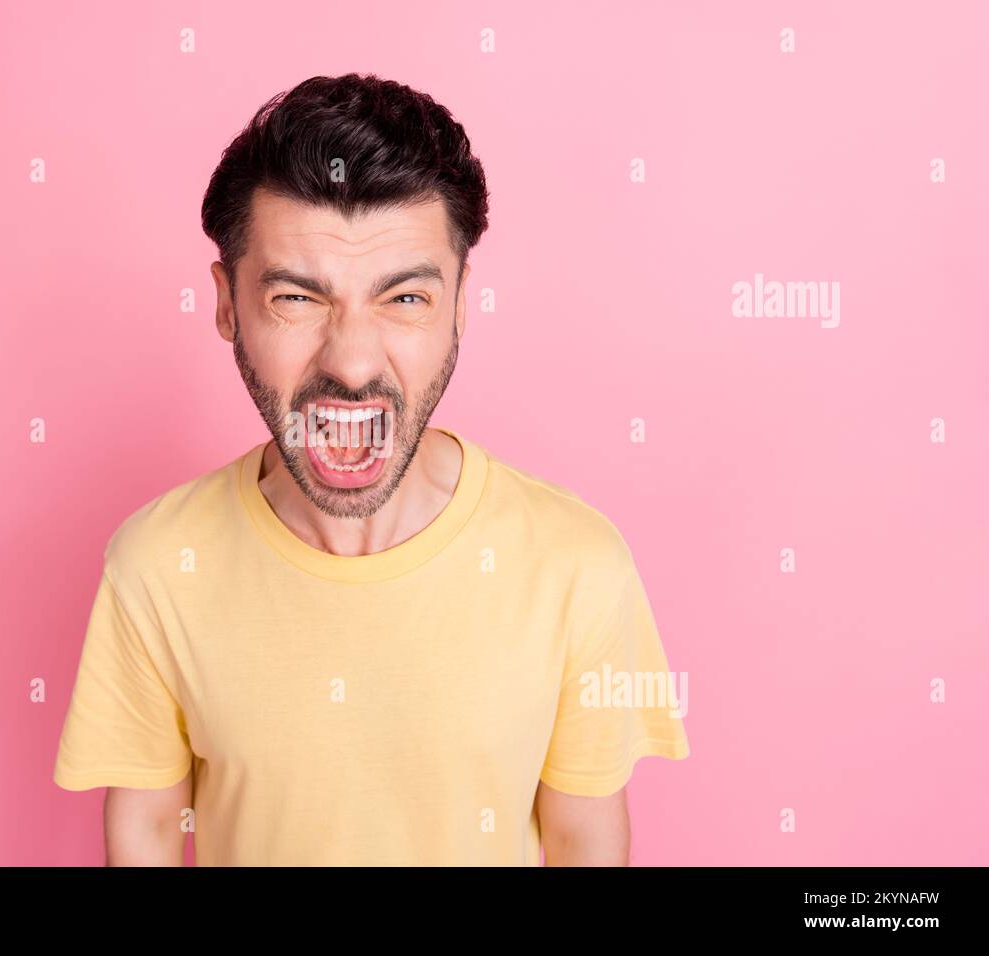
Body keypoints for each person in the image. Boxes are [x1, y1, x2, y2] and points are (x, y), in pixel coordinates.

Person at [53, 73, 689, 866]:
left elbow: (579, 839)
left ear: (460, 304)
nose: (352, 365)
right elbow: (146, 830)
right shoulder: (154, 564)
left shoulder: (577, 564)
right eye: (296, 298)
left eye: (406, 299)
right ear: (226, 304)